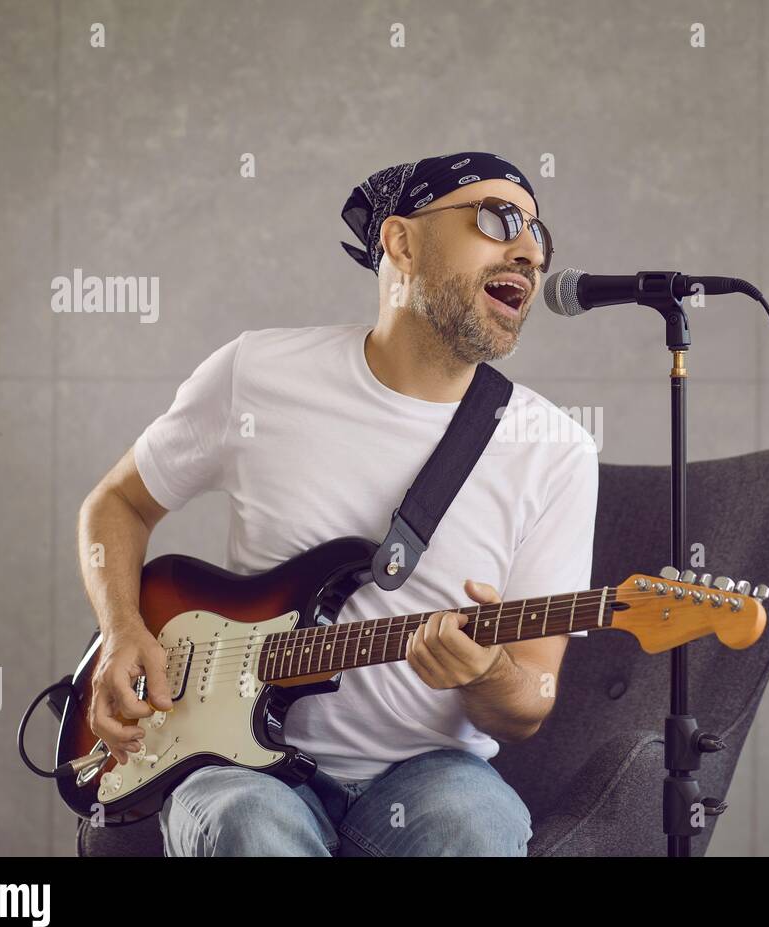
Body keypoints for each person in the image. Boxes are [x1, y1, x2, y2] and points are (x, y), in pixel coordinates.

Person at [76, 152, 598, 856]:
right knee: (249, 824)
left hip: (430, 773)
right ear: (400, 240)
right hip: (228, 764)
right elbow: (118, 503)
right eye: (497, 218)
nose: (529, 250)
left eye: (539, 233)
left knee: (478, 826)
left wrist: (488, 673)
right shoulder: (257, 374)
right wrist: (121, 629)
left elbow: (530, 697)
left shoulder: (554, 448)